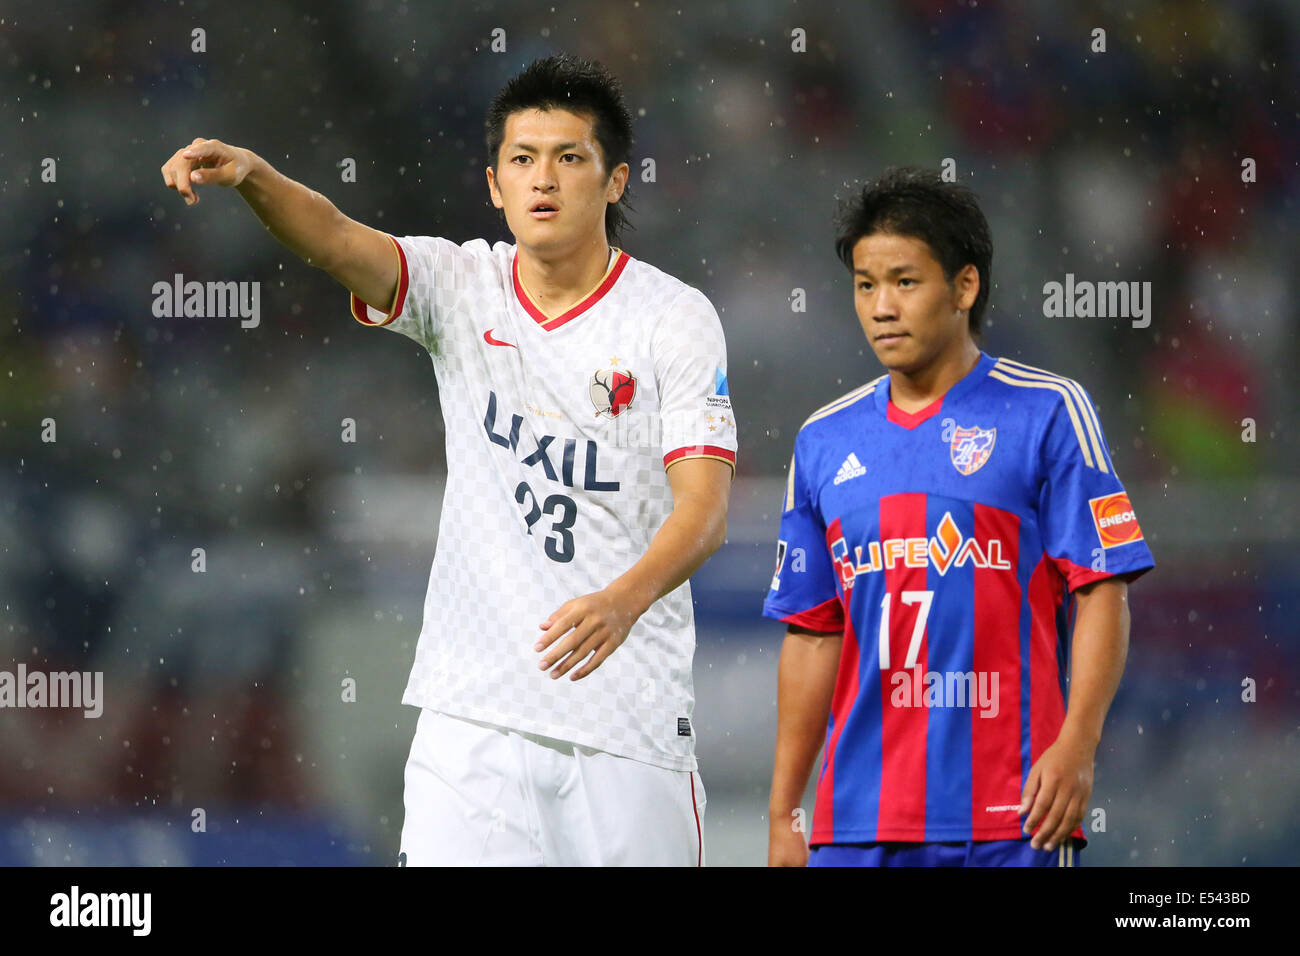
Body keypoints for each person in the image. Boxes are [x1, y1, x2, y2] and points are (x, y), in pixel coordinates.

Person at [161, 54, 736, 866]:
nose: (544, 179)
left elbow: (705, 510)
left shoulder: (672, 319)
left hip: (624, 722)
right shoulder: (461, 286)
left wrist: (622, 600)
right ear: (495, 185)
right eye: (522, 160)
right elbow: (335, 237)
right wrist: (256, 177)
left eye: (569, 158)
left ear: (615, 181)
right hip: (472, 722)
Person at [762, 167, 1153, 867]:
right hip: (857, 824)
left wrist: (1078, 744)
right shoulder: (823, 440)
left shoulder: (1048, 412)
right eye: (865, 285)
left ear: (964, 287)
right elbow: (813, 633)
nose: (882, 307)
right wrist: (786, 808)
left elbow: (1102, 586)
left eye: (905, 282)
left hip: (1013, 817)